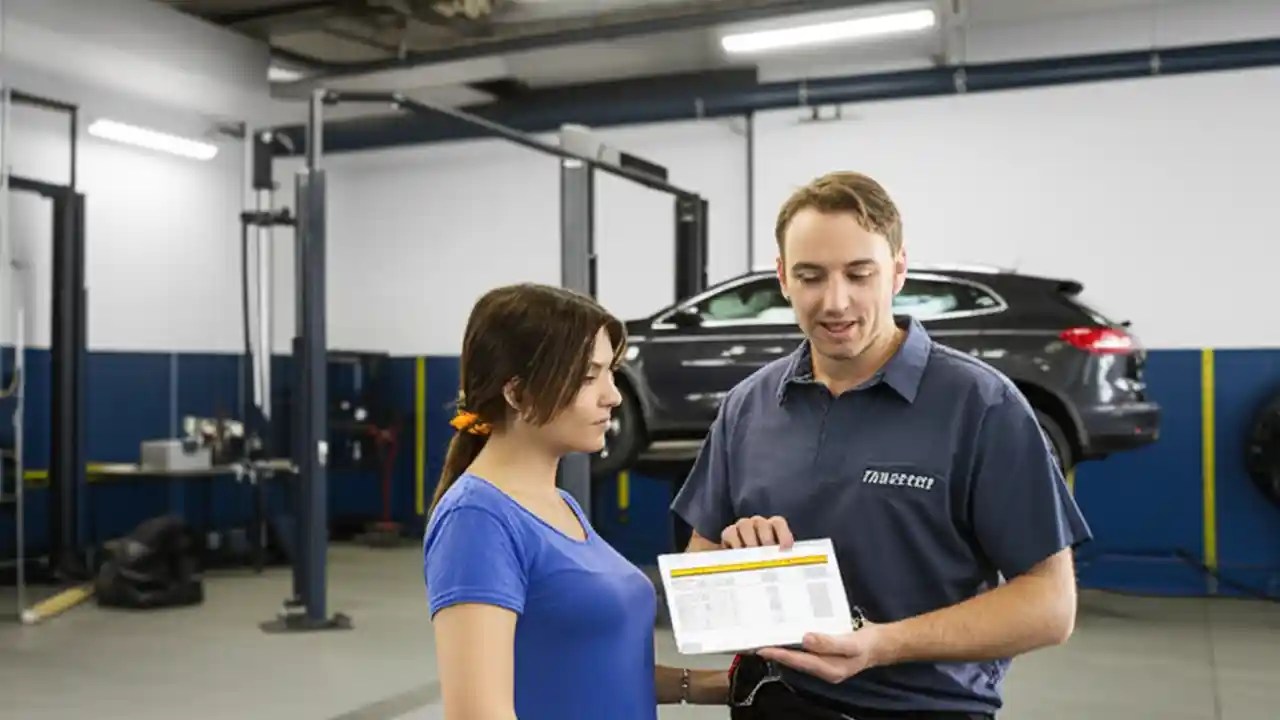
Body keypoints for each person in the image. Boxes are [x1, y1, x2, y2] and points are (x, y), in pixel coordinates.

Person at [671, 171, 1092, 719]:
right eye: (811, 276)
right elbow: (699, 569)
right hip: (773, 703)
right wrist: (739, 563)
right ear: (782, 278)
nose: (835, 301)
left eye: (858, 274)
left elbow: (1049, 607)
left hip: (921, 710)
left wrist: (882, 644)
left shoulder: (981, 405)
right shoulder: (749, 406)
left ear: (897, 270)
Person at [422, 283, 730, 719]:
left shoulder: (562, 505)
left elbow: (588, 664)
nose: (614, 395)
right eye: (589, 377)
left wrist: (708, 685)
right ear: (517, 394)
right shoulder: (477, 519)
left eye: (611, 372)